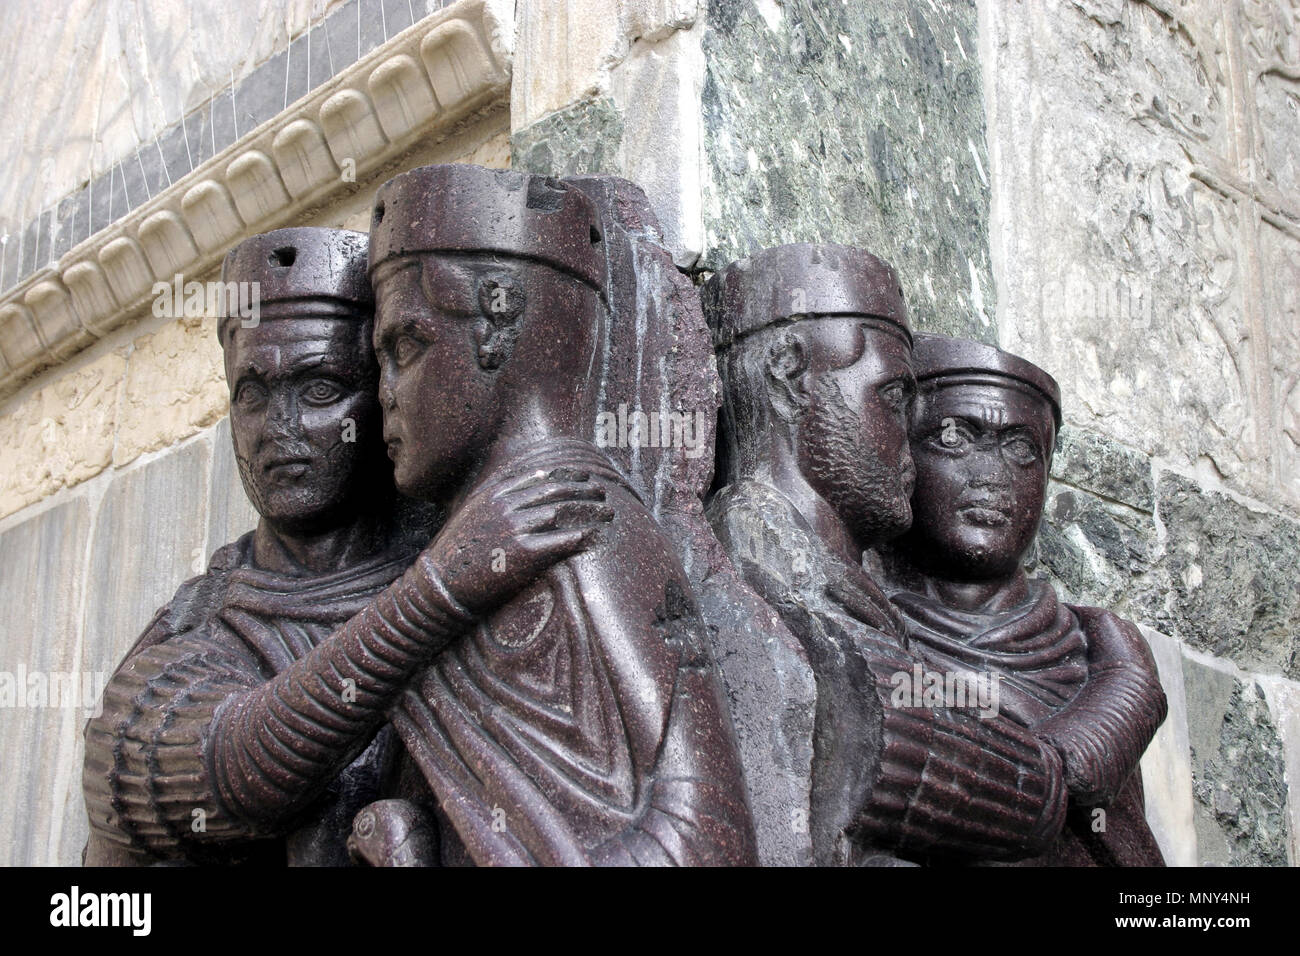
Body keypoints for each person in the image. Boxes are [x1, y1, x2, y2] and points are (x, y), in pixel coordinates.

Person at [83, 227, 605, 865]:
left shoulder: (489, 567)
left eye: (321, 389)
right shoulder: (203, 622)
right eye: (252, 395)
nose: (281, 430)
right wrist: (443, 587)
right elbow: (235, 767)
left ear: (386, 393)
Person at [364, 163, 758, 866]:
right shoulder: (482, 538)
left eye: (405, 348)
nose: (384, 395)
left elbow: (707, 835)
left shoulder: (571, 523)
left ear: (496, 322)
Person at [705, 244, 1070, 866]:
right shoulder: (762, 569)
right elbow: (1004, 789)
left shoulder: (835, 583)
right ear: (794, 378)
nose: (913, 442)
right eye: (896, 398)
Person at [874, 332, 1167, 865]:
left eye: (1021, 448)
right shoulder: (865, 627)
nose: (990, 478)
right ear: (901, 454)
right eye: (955, 438)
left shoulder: (1101, 648)